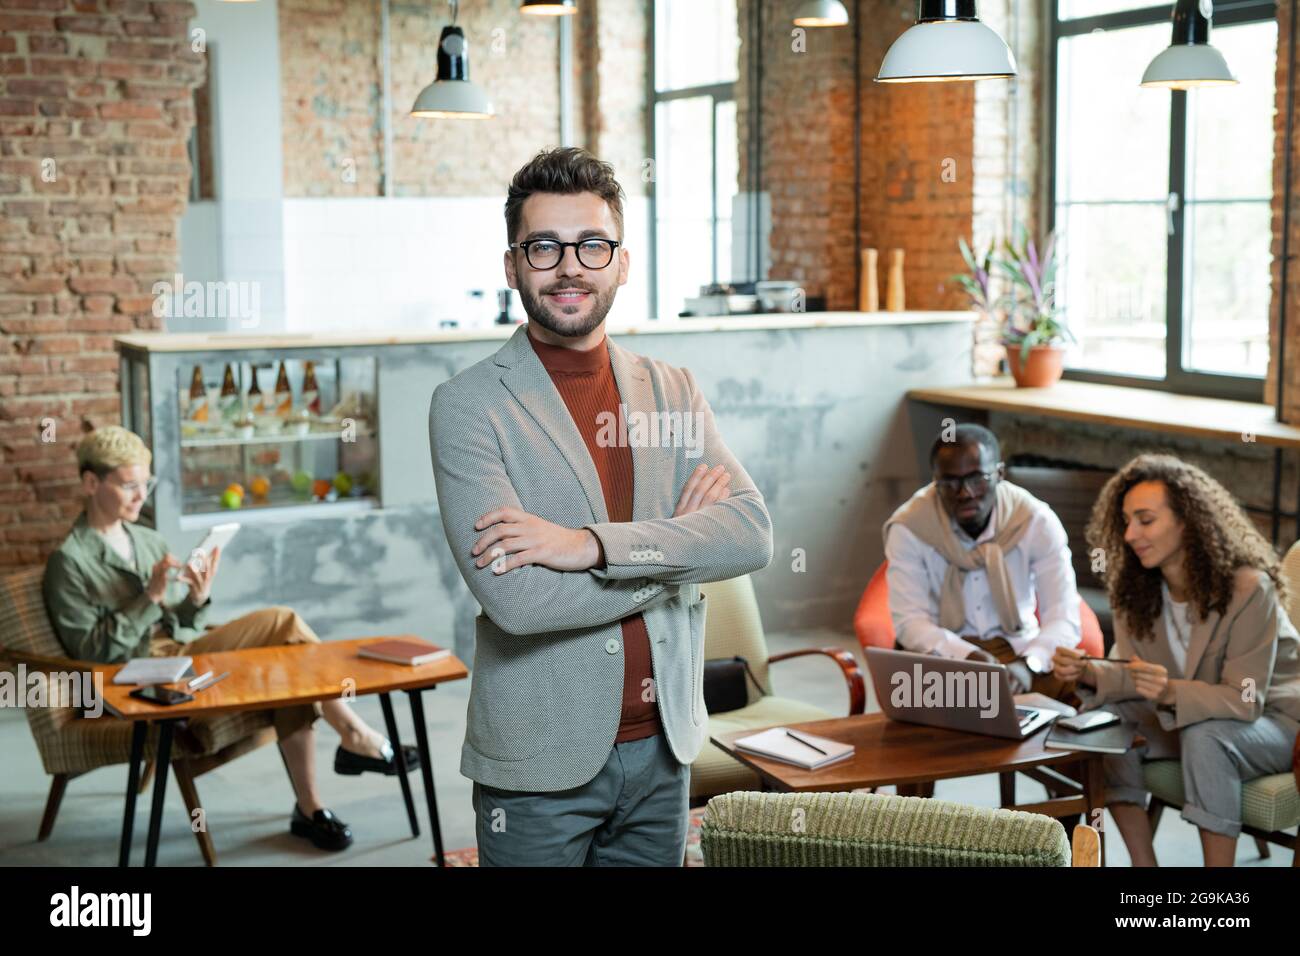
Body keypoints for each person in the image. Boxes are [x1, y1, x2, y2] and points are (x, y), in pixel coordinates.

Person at [429, 146, 773, 866]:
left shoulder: (671, 389)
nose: (569, 266)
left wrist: (589, 546)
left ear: (620, 260)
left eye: (591, 244)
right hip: (537, 760)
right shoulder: (467, 407)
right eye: (544, 246)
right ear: (513, 265)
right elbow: (518, 600)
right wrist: (677, 558)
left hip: (664, 749)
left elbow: (749, 534)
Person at [42, 425, 422, 852]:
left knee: (287, 652)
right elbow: (91, 651)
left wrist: (196, 598)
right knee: (284, 625)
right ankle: (351, 740)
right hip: (130, 675)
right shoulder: (68, 562)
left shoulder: (145, 538)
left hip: (178, 653)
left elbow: (176, 623)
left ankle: (313, 804)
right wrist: (149, 597)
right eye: (129, 486)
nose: (140, 496)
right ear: (91, 483)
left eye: (145, 484)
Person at [1053, 454, 1300, 867]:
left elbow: (1244, 701)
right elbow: (1138, 679)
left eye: (1145, 520)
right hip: (1190, 716)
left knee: (1206, 737)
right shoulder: (1136, 591)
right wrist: (1090, 673)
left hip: (1272, 722)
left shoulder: (1249, 589)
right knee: (1107, 723)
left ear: (1188, 520)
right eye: (1127, 521)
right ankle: (1144, 865)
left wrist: (1168, 689)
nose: (1131, 534)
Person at [883, 423, 1082, 702]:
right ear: (934, 481)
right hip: (944, 652)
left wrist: (1029, 665)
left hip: (1019, 650)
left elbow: (1064, 617)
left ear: (999, 474)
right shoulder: (910, 526)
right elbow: (909, 622)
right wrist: (969, 656)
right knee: (933, 714)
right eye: (950, 483)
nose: (965, 493)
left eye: (977, 478)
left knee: (1076, 706)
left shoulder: (1035, 521)